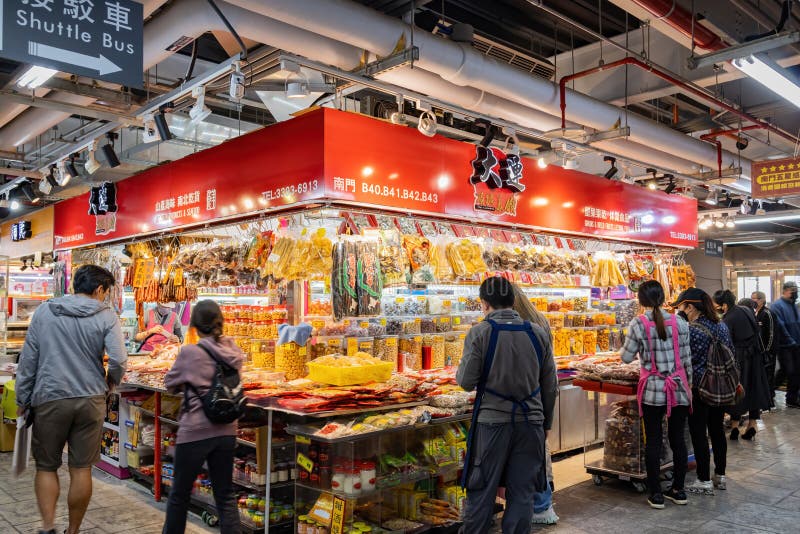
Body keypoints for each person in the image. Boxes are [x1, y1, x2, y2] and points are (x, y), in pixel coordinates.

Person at [15, 265, 128, 534]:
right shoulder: (106, 316)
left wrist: (22, 397)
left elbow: (29, 360)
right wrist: (111, 382)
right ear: (100, 289)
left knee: (46, 466)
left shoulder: (45, 311)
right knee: (81, 468)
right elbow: (119, 359)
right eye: (106, 292)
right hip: (90, 399)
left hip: (50, 397)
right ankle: (73, 530)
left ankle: (47, 526)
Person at [457, 277, 558, 534]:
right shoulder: (537, 332)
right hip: (531, 425)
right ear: (514, 301)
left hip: (492, 425)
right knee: (522, 493)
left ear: (484, 303)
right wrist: (546, 423)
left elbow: (466, 382)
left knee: (482, 491)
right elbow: (550, 384)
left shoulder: (480, 332)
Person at [163, 300, 244, 534]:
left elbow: (170, 384)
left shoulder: (190, 352)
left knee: (179, 494)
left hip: (195, 431)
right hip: (227, 430)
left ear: (194, 326)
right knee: (225, 495)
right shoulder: (233, 350)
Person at [620, 280, 692, 509]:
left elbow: (625, 357)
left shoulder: (638, 323)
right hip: (678, 388)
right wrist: (687, 386)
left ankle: (656, 494)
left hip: (653, 389)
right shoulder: (680, 322)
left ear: (641, 300)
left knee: (653, 441)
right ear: (663, 298)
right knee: (678, 440)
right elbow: (687, 361)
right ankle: (679, 490)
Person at [674, 288, 735, 495]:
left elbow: (684, 360)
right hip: (720, 388)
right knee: (717, 430)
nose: (680, 311)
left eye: (681, 307)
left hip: (699, 388)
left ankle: (703, 479)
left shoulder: (692, 330)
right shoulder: (722, 325)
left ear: (690, 306)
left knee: (699, 433)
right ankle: (721, 475)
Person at [511, 284, 558, 525]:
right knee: (539, 453)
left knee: (532, 456)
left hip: (525, 401)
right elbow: (549, 374)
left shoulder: (518, 328)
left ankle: (540, 504)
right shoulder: (540, 322)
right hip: (538, 399)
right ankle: (542, 501)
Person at [712, 290, 772, 439]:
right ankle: (752, 424)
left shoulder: (727, 319)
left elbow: (726, 343)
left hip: (739, 358)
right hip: (755, 356)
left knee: (737, 391)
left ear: (724, 305)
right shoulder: (745, 310)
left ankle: (734, 427)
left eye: (715, 304)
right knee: (753, 388)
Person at [771, 281, 800, 408]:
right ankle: (790, 399)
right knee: (791, 372)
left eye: (796, 290)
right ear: (785, 290)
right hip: (785, 346)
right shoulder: (777, 306)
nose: (795, 293)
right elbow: (780, 326)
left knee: (790, 372)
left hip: (796, 344)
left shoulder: (793, 305)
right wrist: (790, 341)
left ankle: (789, 397)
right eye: (793, 290)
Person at [752, 291, 779, 403]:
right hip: (759, 351)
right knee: (761, 376)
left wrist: (767, 350)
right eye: (752, 298)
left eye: (755, 299)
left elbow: (772, 333)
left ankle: (770, 399)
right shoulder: (755, 313)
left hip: (768, 351)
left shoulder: (767, 313)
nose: (753, 301)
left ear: (762, 300)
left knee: (768, 376)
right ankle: (763, 398)